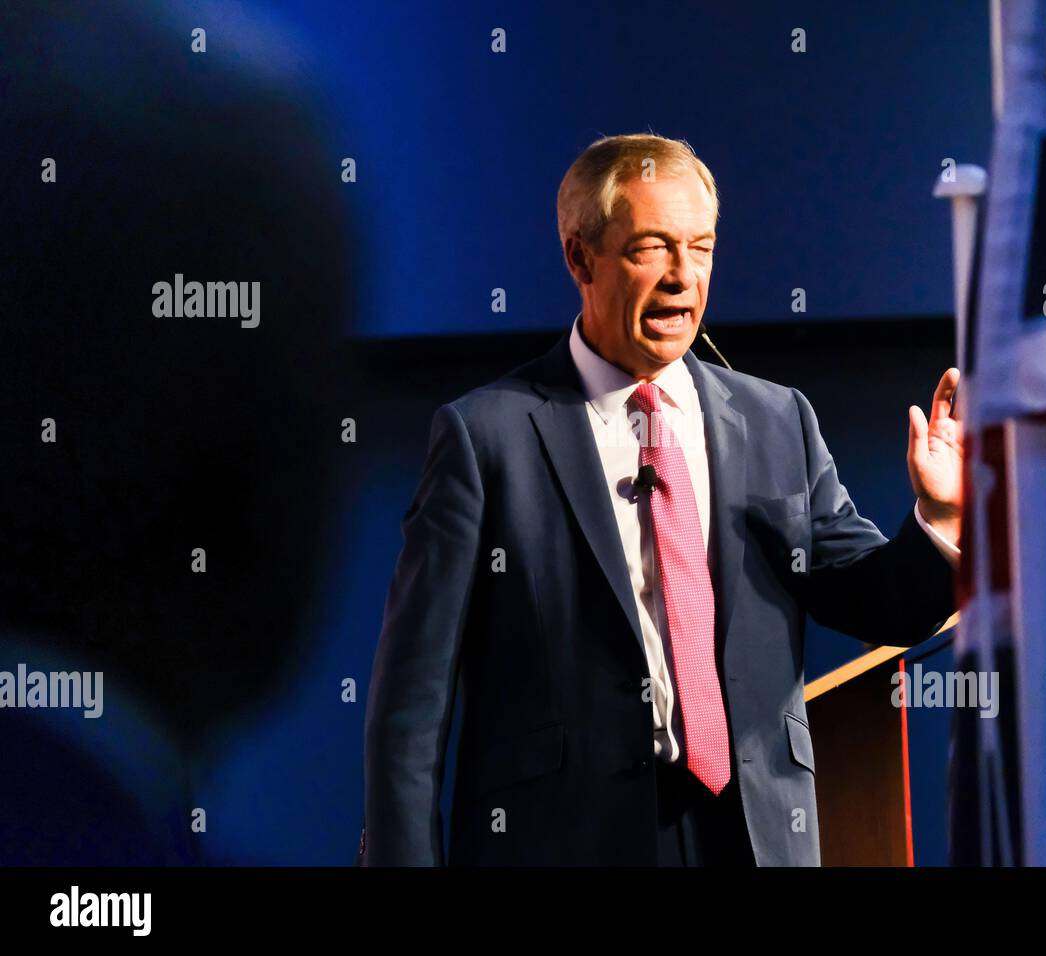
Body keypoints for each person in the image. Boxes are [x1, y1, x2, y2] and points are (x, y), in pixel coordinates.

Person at [361, 133, 962, 866]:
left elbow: (882, 604)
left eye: (700, 246)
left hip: (750, 837)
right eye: (651, 248)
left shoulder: (777, 421)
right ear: (580, 257)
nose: (683, 278)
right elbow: (410, 709)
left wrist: (936, 517)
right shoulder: (486, 437)